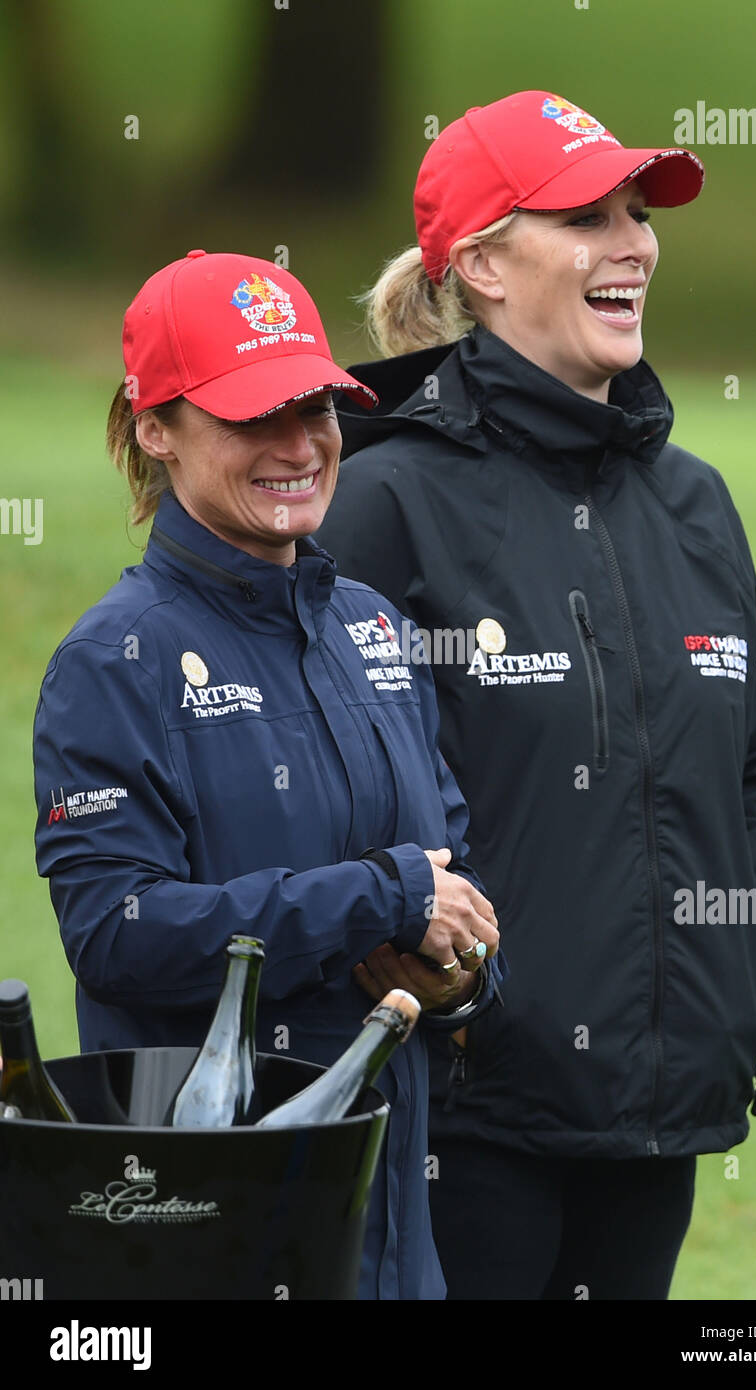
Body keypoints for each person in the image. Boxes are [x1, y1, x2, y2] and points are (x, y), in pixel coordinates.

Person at [317, 91, 756, 1300]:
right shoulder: (383, 502)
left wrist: (753, 970)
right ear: (479, 264)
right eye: (584, 216)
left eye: (636, 214)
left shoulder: (694, 502)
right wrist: (454, 1009)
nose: (631, 242)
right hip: (466, 1121)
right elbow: (326, 788)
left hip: (668, 1107)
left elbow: (753, 755)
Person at [32, 249, 503, 1302]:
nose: (299, 446)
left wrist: (459, 974)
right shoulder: (114, 662)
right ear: (155, 428)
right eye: (253, 417)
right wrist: (378, 897)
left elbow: (449, 882)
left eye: (317, 408)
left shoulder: (372, 626)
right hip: (212, 1234)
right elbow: (116, 932)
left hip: (391, 1234)